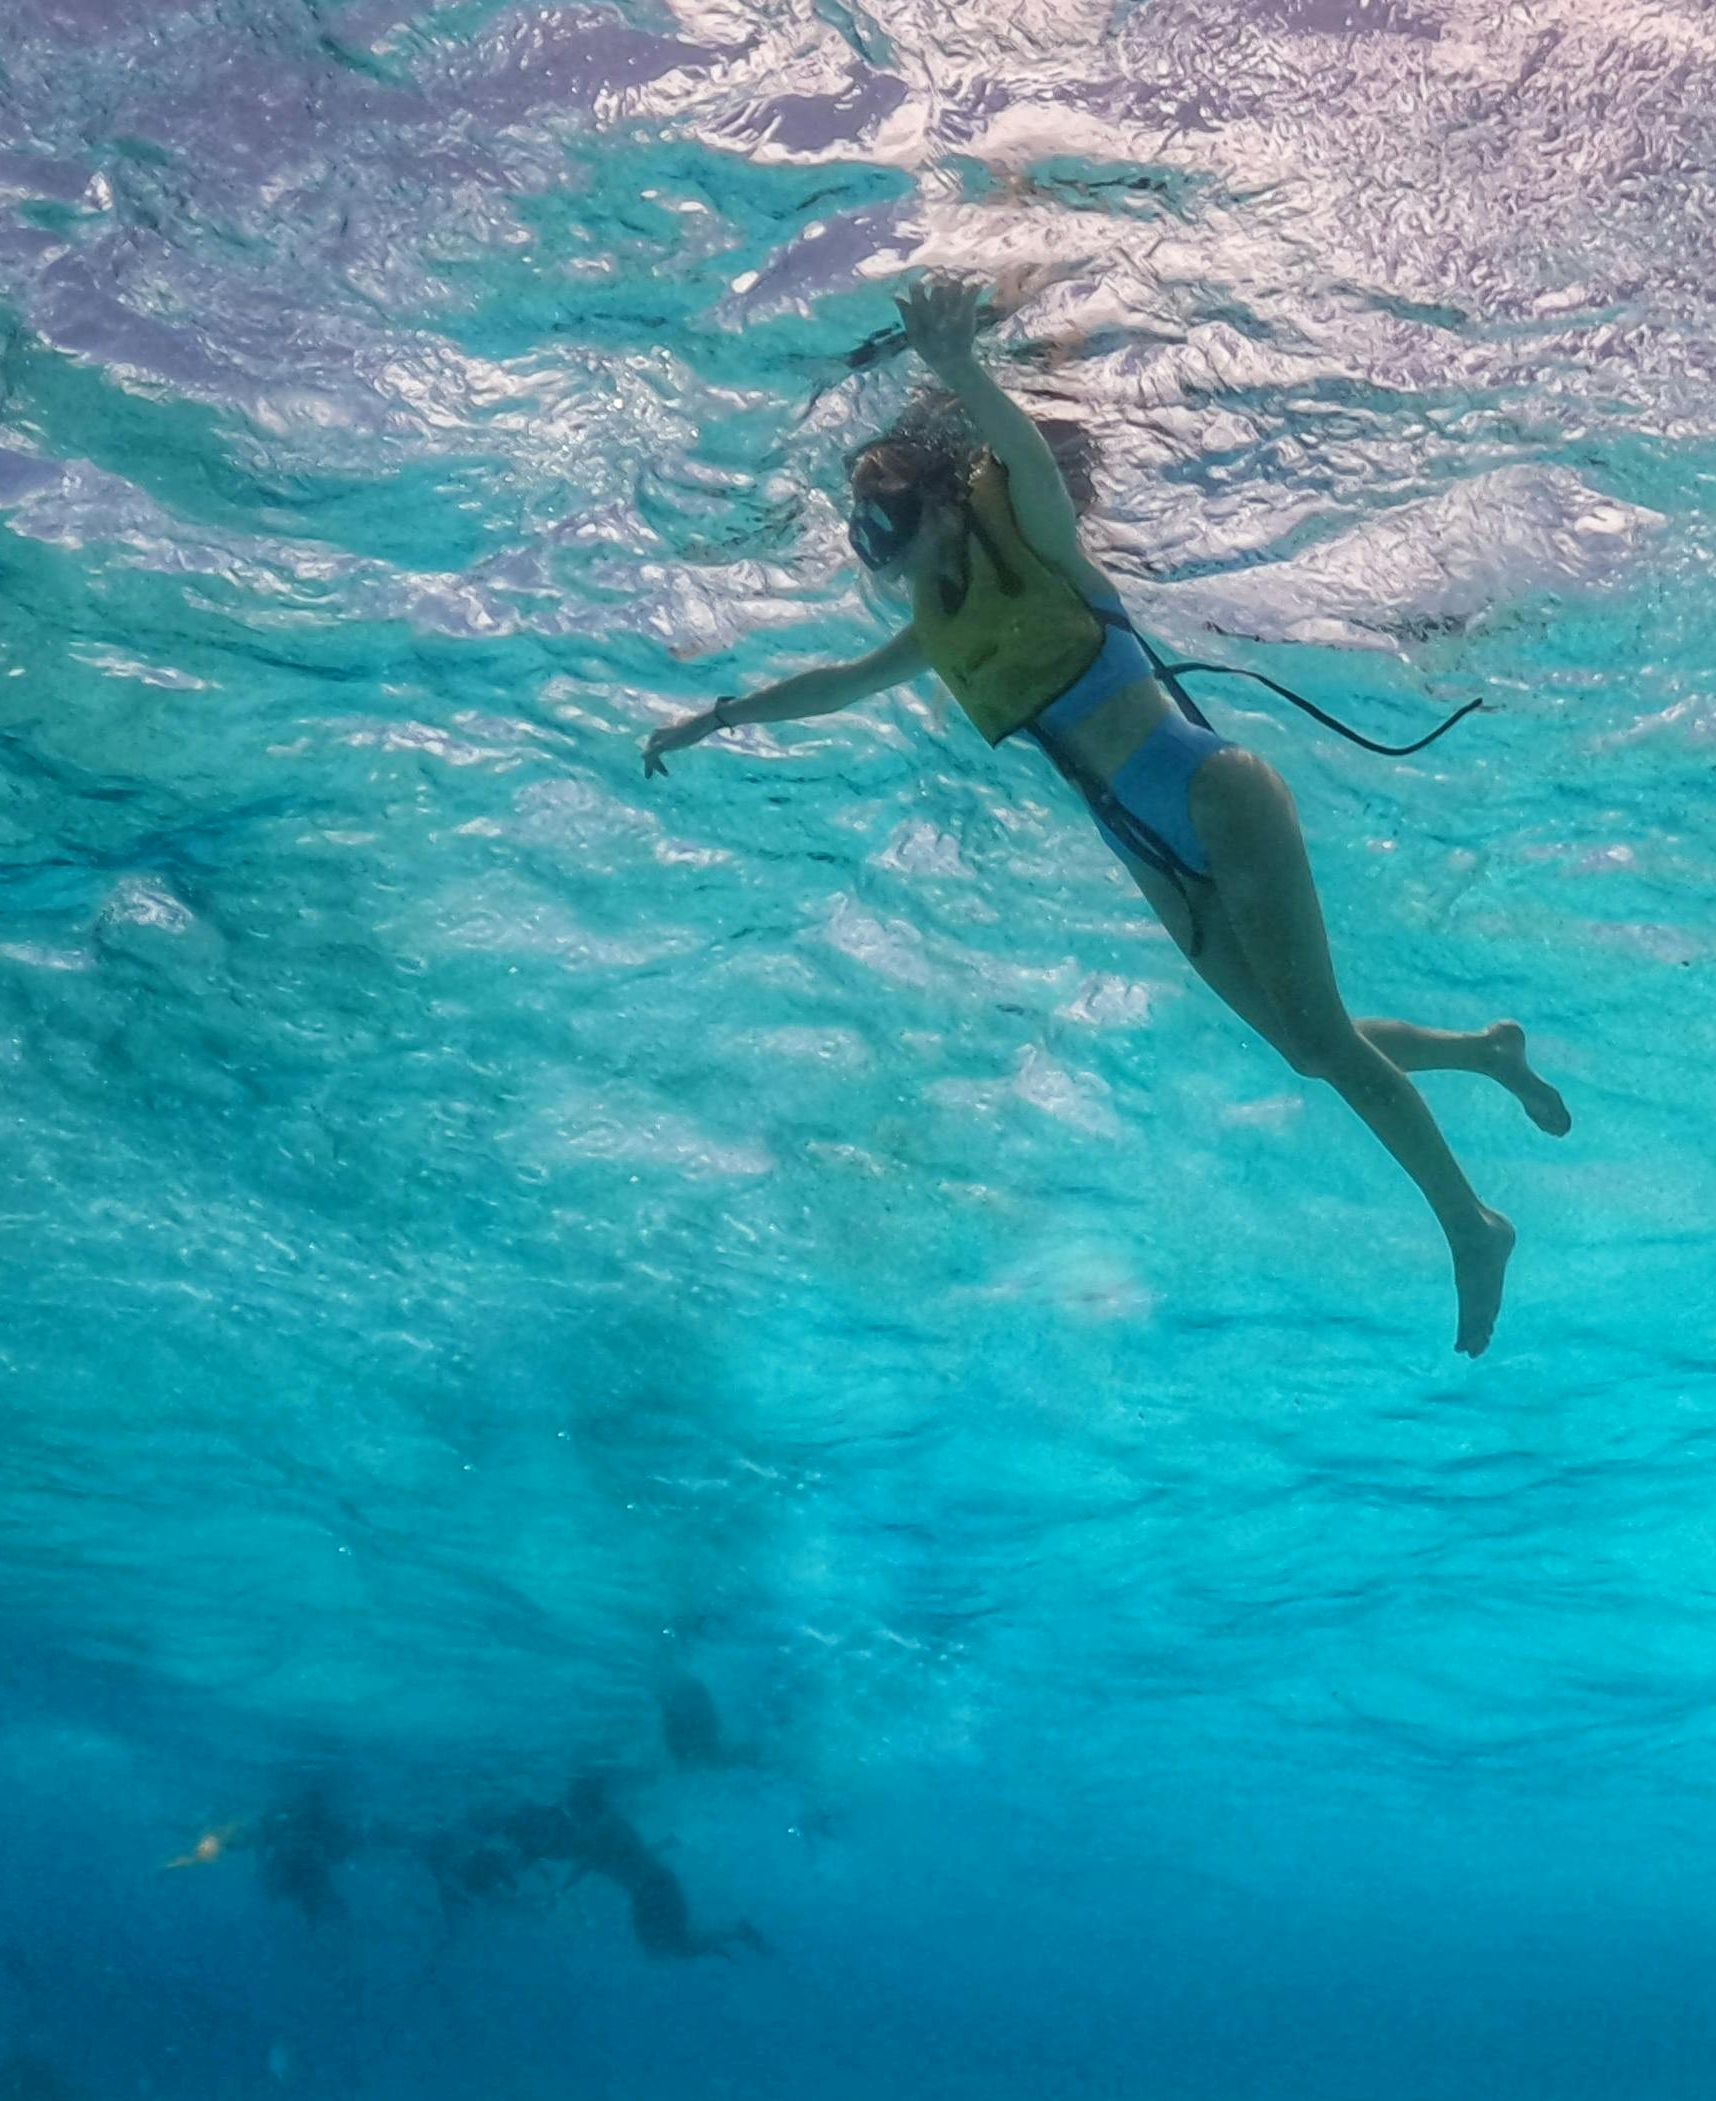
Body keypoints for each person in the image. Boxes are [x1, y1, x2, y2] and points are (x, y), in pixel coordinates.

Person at [644, 277, 1565, 1356]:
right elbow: (833, 685)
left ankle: (1471, 1225)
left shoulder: (1034, 541)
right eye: (861, 533)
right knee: (1309, 1047)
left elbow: (1024, 457)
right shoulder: (938, 630)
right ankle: (1483, 1051)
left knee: (1322, 1036)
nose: (876, 546)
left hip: (1212, 794)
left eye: (886, 515)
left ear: (940, 501)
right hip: (1150, 856)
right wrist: (712, 719)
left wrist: (958, 368)